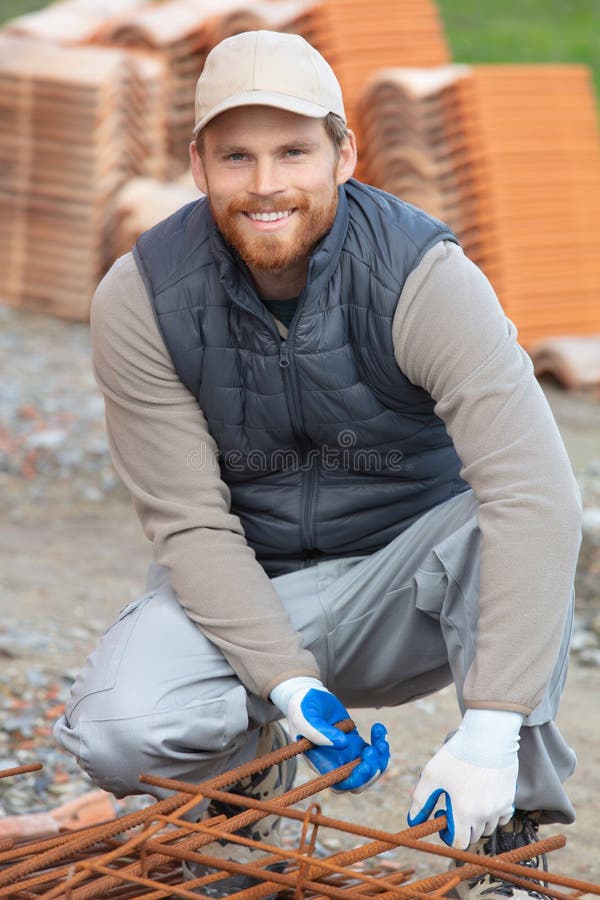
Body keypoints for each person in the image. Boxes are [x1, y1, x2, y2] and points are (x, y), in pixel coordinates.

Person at [54, 29, 582, 898]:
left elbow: (535, 493)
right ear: (197, 165)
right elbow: (189, 521)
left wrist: (491, 729)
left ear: (344, 152)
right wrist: (291, 687)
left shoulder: (422, 275)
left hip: (408, 585)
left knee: (514, 521)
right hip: (252, 585)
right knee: (118, 729)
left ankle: (505, 835)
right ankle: (243, 791)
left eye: (294, 150)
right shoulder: (143, 297)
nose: (265, 185)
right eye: (237, 156)